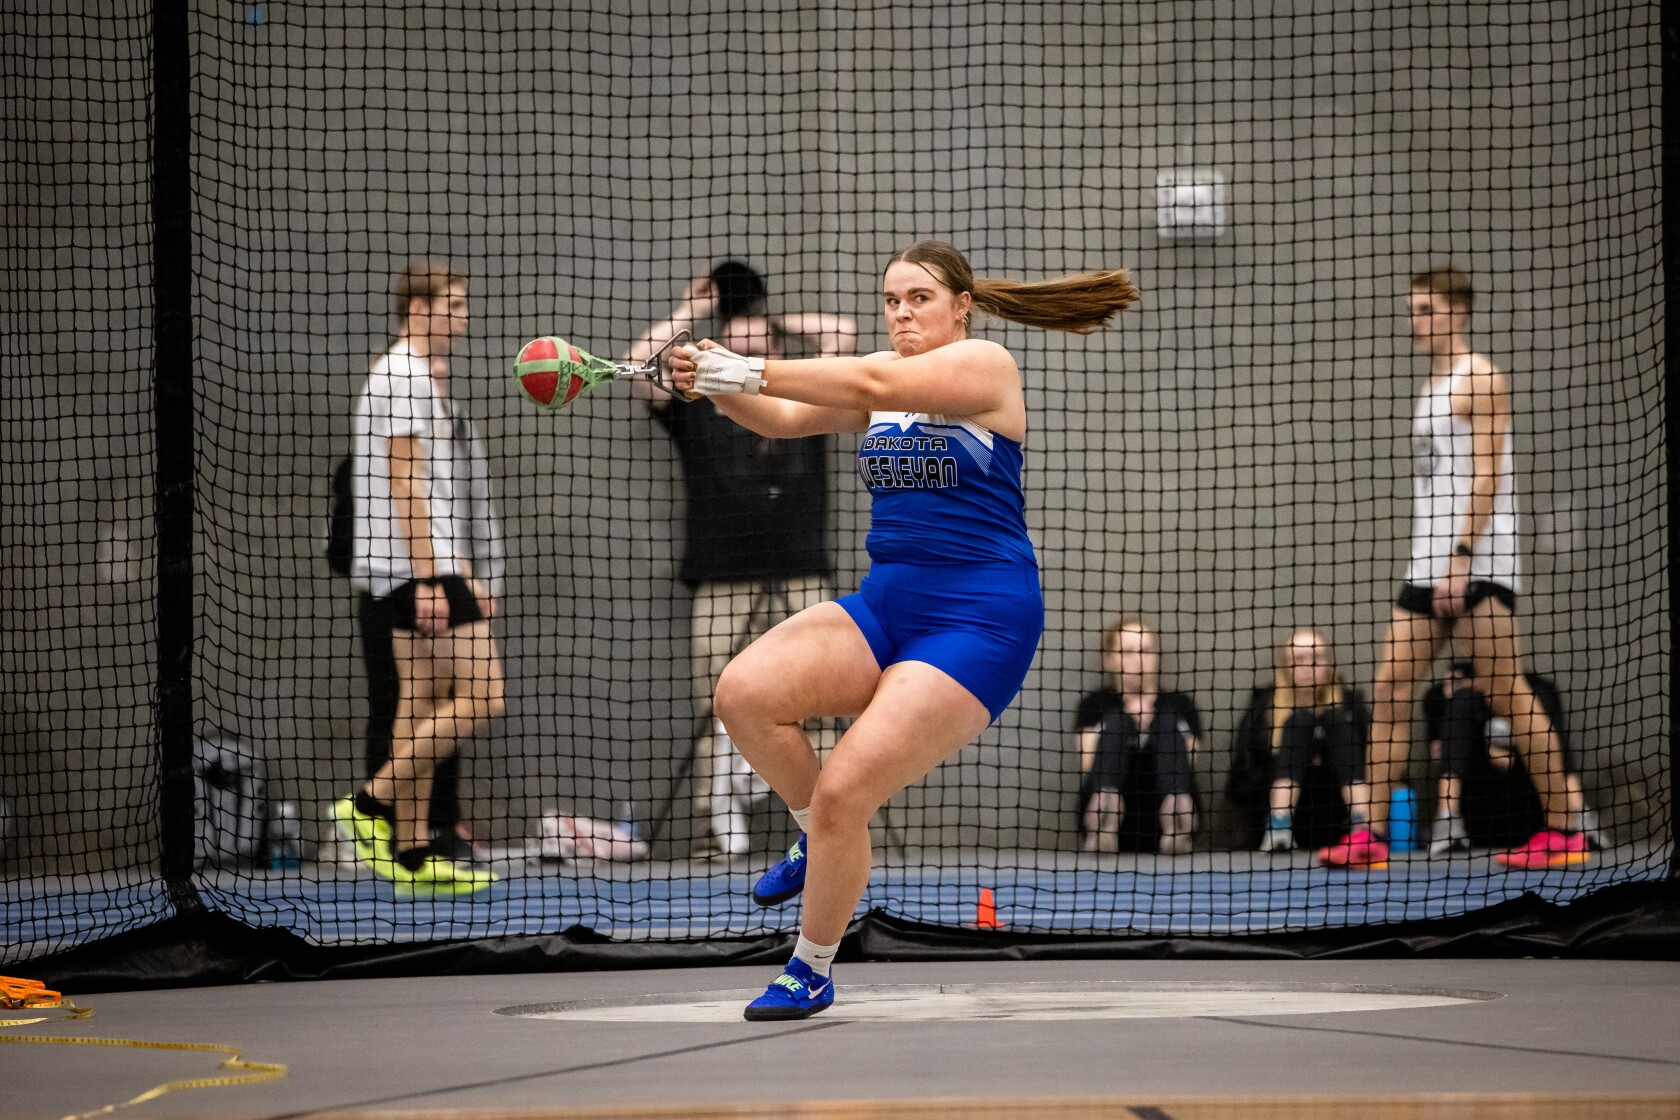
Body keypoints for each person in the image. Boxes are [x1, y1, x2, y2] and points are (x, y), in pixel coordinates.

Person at [667, 239, 1138, 1020]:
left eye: (918, 298)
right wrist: (714, 387)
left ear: (961, 306)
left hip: (979, 618)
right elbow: (784, 419)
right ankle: (818, 834)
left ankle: (811, 965)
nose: (902, 313)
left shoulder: (985, 365)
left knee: (849, 787)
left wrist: (742, 365)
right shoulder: (885, 389)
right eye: (891, 301)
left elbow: (870, 375)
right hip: (887, 603)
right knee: (743, 692)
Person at [1319, 266, 1587, 871]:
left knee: (1507, 693)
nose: (1415, 321)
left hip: (1478, 564)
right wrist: (1436, 562)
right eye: (1412, 310)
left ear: (1458, 312)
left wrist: (1462, 558)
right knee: (1388, 691)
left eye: (1426, 310)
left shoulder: (1481, 378)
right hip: (1427, 564)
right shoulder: (1432, 386)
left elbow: (1490, 476)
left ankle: (1566, 832)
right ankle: (1370, 836)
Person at [625, 262, 857, 856]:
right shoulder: (697, 397)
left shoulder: (802, 393)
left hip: (805, 571)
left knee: (826, 701)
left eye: (760, 334)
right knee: (717, 701)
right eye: (737, 331)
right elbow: (639, 372)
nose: (747, 336)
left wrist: (767, 323)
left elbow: (843, 336)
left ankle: (836, 826)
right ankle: (711, 826)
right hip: (721, 572)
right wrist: (696, 311)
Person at [331, 259, 505, 896]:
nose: (463, 317)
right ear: (418, 309)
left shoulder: (410, 378)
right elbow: (405, 485)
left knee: (422, 702)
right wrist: (434, 581)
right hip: (411, 570)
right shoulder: (404, 374)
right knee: (484, 697)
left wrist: (459, 568)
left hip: (412, 566)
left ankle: (409, 854)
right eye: (453, 305)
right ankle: (369, 802)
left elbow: (437, 492)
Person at [1423, 660, 1600, 855]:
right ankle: (1447, 822)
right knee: (1461, 701)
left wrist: (1509, 754)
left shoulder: (1538, 692)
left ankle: (1581, 818)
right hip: (1479, 816)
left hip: (1532, 813)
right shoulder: (1459, 704)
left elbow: (1514, 760)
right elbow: (1443, 755)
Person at [1227, 629, 1371, 854]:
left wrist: (1324, 757)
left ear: (1328, 662)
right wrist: (1294, 758)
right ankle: (1279, 826)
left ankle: (1362, 827)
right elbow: (1240, 781)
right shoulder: (1263, 707)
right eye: (1299, 660)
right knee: (1299, 721)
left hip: (1334, 816)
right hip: (1287, 815)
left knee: (1336, 719)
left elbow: (1373, 762)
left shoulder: (1350, 705)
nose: (1308, 666)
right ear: (1285, 665)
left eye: (1316, 658)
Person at [1072, 617, 1201, 855]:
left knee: (1168, 722)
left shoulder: (1179, 704)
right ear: (1110, 659)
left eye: (1145, 650)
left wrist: (1153, 724)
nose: (1138, 659)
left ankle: (1177, 817)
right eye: (1128, 651)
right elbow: (1088, 762)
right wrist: (1126, 719)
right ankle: (1105, 815)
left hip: (1158, 812)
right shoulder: (1095, 705)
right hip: (1120, 814)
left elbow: (1190, 760)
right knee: (1117, 721)